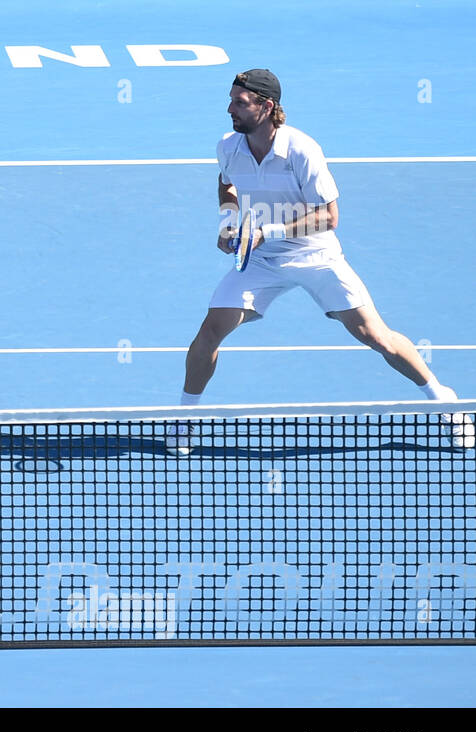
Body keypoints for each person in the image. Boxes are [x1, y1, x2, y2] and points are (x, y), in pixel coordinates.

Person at [169, 69, 469, 454]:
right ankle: (185, 418)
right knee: (210, 331)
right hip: (260, 261)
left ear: (266, 106)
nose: (230, 109)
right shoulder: (229, 146)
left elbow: (329, 217)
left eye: (240, 103)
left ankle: (446, 402)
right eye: (231, 100)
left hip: (315, 255)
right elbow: (226, 183)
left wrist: (267, 232)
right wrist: (229, 222)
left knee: (374, 335)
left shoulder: (301, 150)